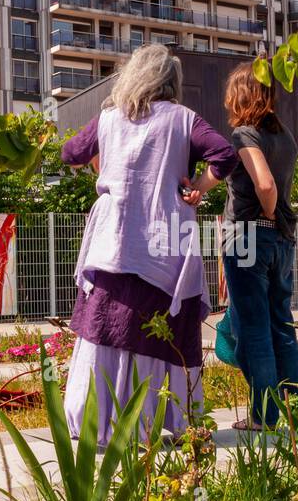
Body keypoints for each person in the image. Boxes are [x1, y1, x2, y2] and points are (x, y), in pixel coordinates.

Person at [61, 43, 237, 442]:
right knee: (161, 330)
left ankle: (95, 419)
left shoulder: (108, 119)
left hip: (114, 242)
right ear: (170, 83)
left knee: (105, 327)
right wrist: (199, 189)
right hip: (164, 245)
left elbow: (70, 152)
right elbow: (224, 154)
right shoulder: (182, 119)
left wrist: (101, 166)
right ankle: (156, 421)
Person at [212, 60, 298, 430]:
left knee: (252, 328)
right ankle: (297, 410)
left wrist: (263, 215)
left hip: (249, 237)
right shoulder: (285, 136)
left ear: (242, 96)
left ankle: (263, 416)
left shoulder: (244, 135)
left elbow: (265, 185)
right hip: (282, 238)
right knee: (281, 324)